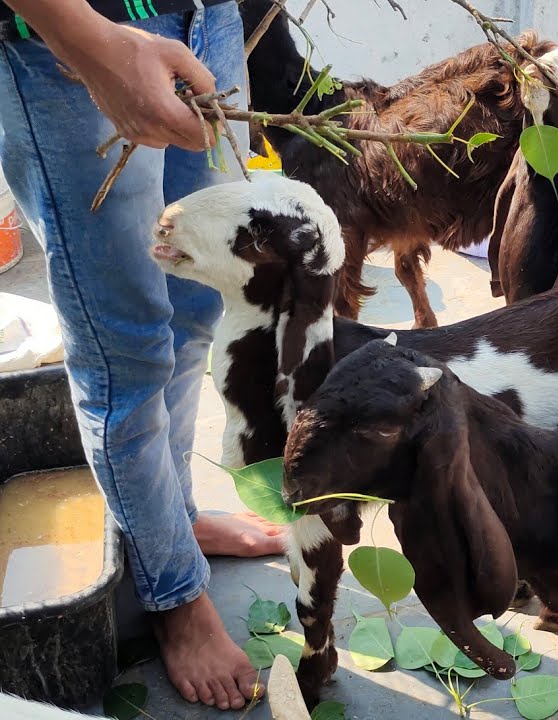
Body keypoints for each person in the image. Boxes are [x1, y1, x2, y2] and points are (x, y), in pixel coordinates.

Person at [0, 0, 287, 710]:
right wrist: (86, 39)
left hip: (209, 19)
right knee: (123, 348)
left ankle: (175, 521)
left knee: (195, 304)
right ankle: (175, 598)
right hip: (68, 41)